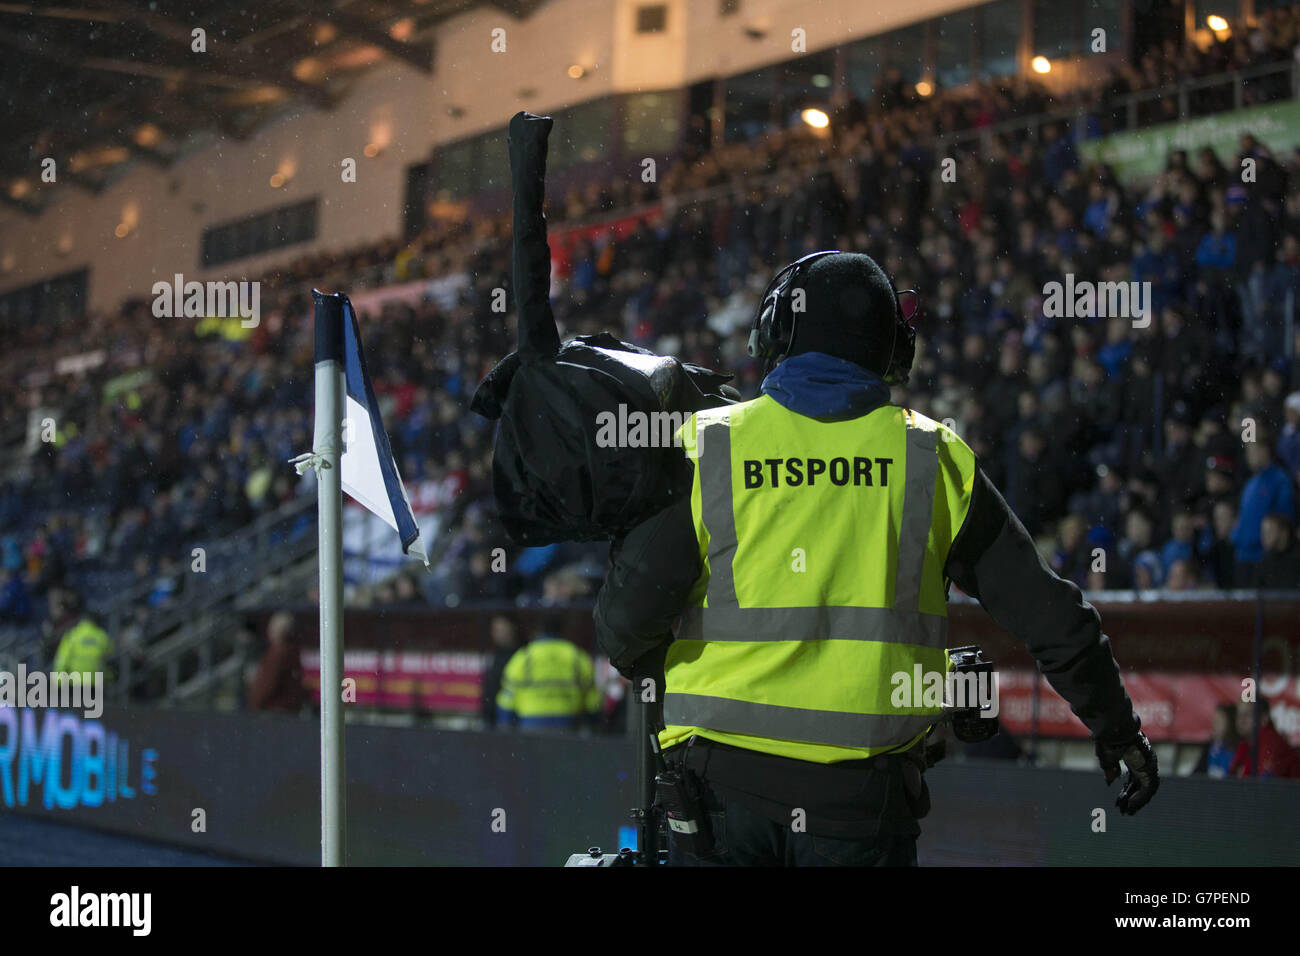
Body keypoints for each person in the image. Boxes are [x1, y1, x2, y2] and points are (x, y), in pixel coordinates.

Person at [594, 251, 1158, 867]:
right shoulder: (933, 457)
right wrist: (1117, 731)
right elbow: (1052, 615)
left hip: (717, 798)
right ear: (889, 348)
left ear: (779, 332)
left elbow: (624, 628)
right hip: (862, 809)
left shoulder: (707, 443)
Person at [495, 622, 600, 732]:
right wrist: (595, 723)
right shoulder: (576, 655)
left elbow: (506, 700)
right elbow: (593, 701)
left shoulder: (524, 656)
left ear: (538, 632)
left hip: (530, 724)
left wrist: (505, 726)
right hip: (567, 725)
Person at [50, 588, 113, 685]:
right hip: (95, 683)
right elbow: (110, 662)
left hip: (75, 684)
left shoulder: (73, 635)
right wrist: (109, 680)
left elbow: (62, 661)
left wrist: (58, 683)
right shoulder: (103, 637)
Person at [1228, 698, 1300, 779]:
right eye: (1239, 714)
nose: (1241, 720)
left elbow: (1262, 786)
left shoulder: (1271, 741)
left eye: (1247, 714)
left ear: (1264, 718)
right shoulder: (1246, 744)